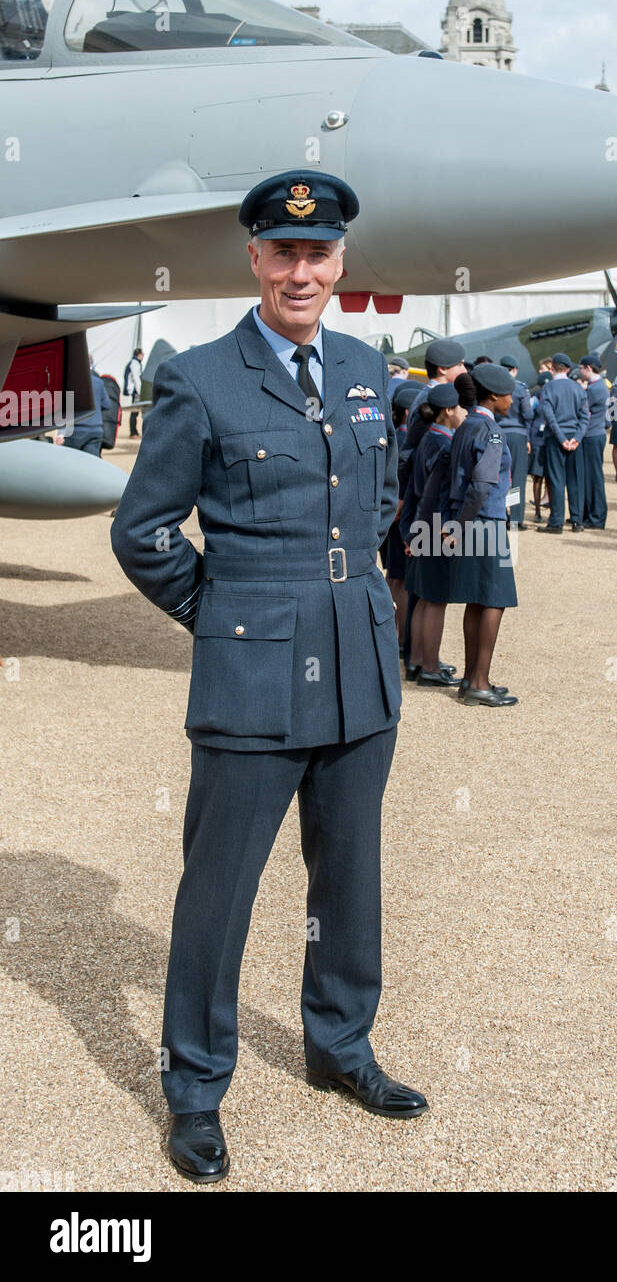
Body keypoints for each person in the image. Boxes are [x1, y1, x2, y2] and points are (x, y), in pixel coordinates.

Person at [110, 169, 428, 1185]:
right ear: (254, 257)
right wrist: (223, 615)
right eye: (283, 252)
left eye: (318, 253)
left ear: (340, 262)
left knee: (350, 876)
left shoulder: (366, 367)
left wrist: (345, 589)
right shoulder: (201, 378)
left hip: (359, 661)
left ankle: (340, 1044)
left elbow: (377, 501)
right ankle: (195, 1088)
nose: (301, 271)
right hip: (252, 672)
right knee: (220, 889)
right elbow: (142, 531)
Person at [446, 362, 518, 705]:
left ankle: (470, 677)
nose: (511, 401)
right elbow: (482, 484)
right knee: (494, 600)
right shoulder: (491, 430)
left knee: (476, 601)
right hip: (484, 521)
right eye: (507, 395)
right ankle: (479, 681)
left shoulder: (467, 425)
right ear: (492, 396)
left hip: (469, 520)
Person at [403, 384, 468, 684]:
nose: (464, 412)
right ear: (448, 410)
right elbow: (433, 494)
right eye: (460, 407)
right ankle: (430, 667)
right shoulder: (444, 445)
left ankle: (417, 660)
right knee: (436, 599)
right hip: (435, 525)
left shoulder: (428, 437)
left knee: (423, 597)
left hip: (422, 524)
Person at [380, 380, 421, 646]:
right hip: (401, 514)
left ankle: (393, 635)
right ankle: (402, 638)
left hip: (389, 514)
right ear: (408, 411)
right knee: (402, 579)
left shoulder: (392, 434)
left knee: (393, 575)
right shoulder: (407, 438)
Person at [538, 353, 589, 532]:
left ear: (552, 368)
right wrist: (577, 438)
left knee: (556, 480)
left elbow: (549, 416)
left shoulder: (548, 388)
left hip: (555, 438)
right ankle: (576, 520)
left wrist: (561, 439)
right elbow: (585, 416)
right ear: (568, 369)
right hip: (575, 437)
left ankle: (556, 520)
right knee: (575, 480)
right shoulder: (578, 388)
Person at [497, 353, 533, 529]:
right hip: (518, 435)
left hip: (499, 433)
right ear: (515, 370)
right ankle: (516, 518)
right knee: (517, 479)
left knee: (499, 477)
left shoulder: (495, 386)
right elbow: (528, 414)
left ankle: (501, 515)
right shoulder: (520, 388)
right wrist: (528, 438)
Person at [578, 354, 608, 527]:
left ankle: (596, 516)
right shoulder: (600, 386)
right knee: (591, 476)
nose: (580, 372)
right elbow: (612, 413)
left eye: (581, 368)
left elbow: (581, 409)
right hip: (596, 433)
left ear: (588, 368)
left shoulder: (594, 389)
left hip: (592, 435)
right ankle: (590, 514)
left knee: (593, 477)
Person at [63, 362, 111, 457]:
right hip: (95, 430)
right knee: (91, 463)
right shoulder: (99, 382)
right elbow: (107, 405)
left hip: (75, 429)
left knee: (70, 462)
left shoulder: (70, 381)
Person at [528, 370, 551, 521]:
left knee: (550, 479)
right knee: (538, 478)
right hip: (538, 440)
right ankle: (537, 512)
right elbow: (528, 415)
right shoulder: (536, 398)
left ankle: (551, 512)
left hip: (548, 441)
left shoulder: (552, 396)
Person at [123, 347, 144, 438]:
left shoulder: (135, 363)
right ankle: (133, 432)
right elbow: (136, 379)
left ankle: (134, 431)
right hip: (136, 391)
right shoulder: (135, 363)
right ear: (139, 355)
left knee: (135, 412)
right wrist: (140, 391)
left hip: (135, 391)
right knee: (134, 412)